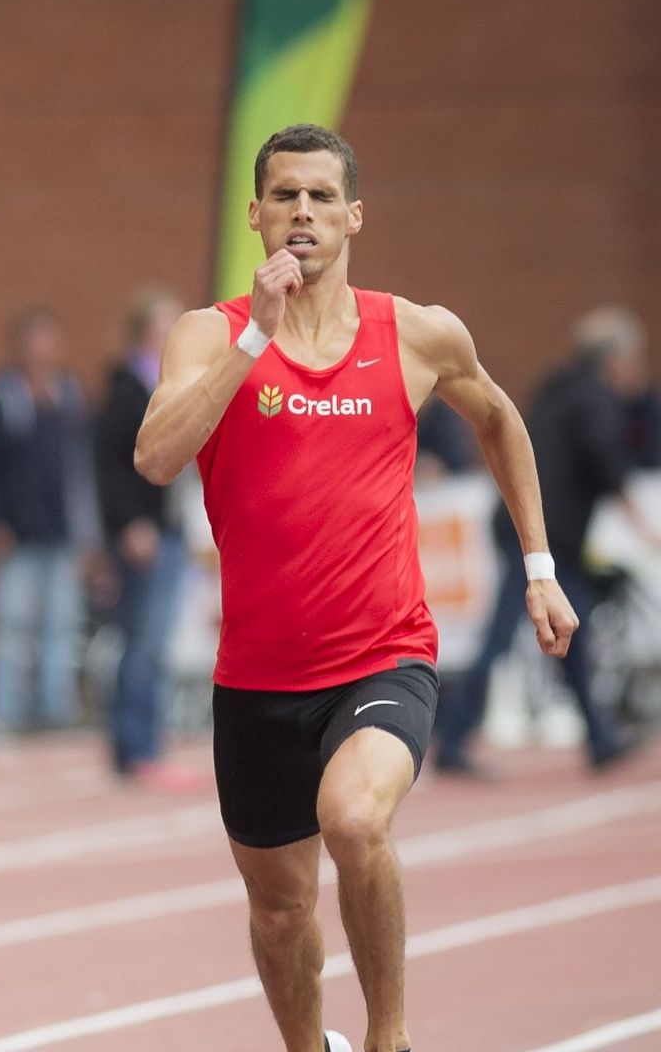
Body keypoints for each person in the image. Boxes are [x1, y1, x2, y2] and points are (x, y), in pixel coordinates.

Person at [134, 124, 576, 1052]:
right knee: (281, 911)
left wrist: (539, 566)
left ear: (354, 217)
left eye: (322, 197)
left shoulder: (416, 332)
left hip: (382, 655)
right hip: (256, 676)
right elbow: (157, 456)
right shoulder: (207, 334)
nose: (303, 212)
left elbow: (500, 420)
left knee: (353, 820)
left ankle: (389, 1037)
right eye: (285, 196)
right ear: (254, 215)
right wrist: (253, 335)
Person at [434, 306, 661, 776]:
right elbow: (607, 463)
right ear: (615, 359)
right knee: (504, 635)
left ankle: (599, 737)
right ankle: (453, 738)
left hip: (536, 531)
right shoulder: (596, 399)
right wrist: (641, 523)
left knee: (567, 630)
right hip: (540, 539)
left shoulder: (558, 388)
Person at [0, 307, 101, 733]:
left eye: (49, 341)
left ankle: (54, 708)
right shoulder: (1, 398)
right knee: (11, 626)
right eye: (34, 342)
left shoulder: (70, 395)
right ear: (20, 348)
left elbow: (83, 468)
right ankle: (6, 708)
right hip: (16, 535)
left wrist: (89, 533)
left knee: (61, 625)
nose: (43, 351)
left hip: (61, 533)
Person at [94, 286, 200, 787]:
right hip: (145, 534)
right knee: (142, 642)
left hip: (171, 528)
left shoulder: (175, 381)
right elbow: (112, 467)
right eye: (161, 328)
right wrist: (129, 523)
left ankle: (145, 742)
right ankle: (135, 745)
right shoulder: (128, 390)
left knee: (155, 644)